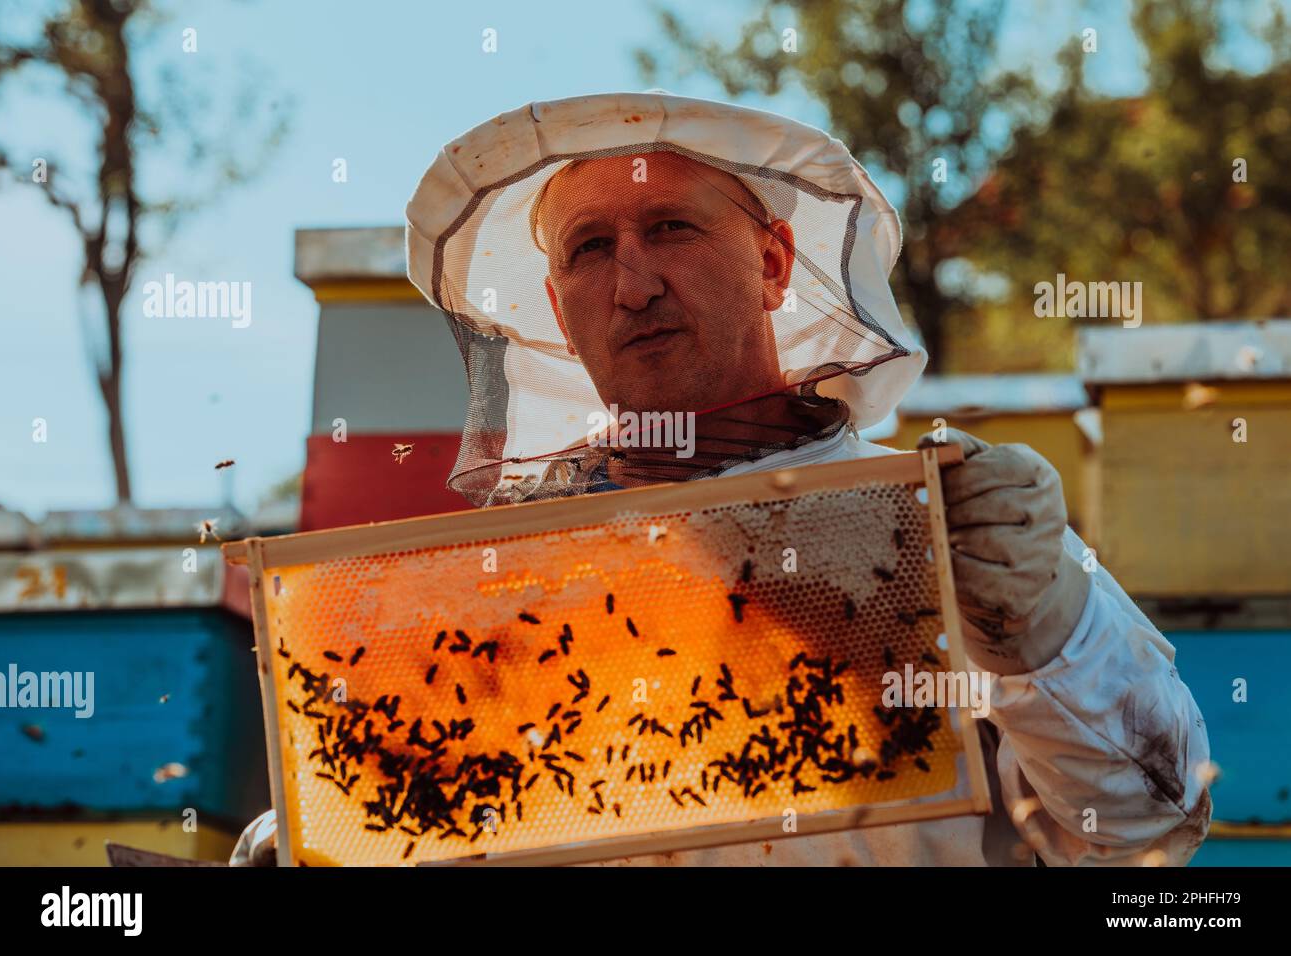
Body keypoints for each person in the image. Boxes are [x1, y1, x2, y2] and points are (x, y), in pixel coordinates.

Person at [233, 92, 1210, 866]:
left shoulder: (945, 527)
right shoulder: (504, 589)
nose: (633, 282)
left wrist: (1049, 630)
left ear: (774, 262)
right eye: (590, 249)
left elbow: (1146, 827)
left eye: (672, 229)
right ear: (556, 309)